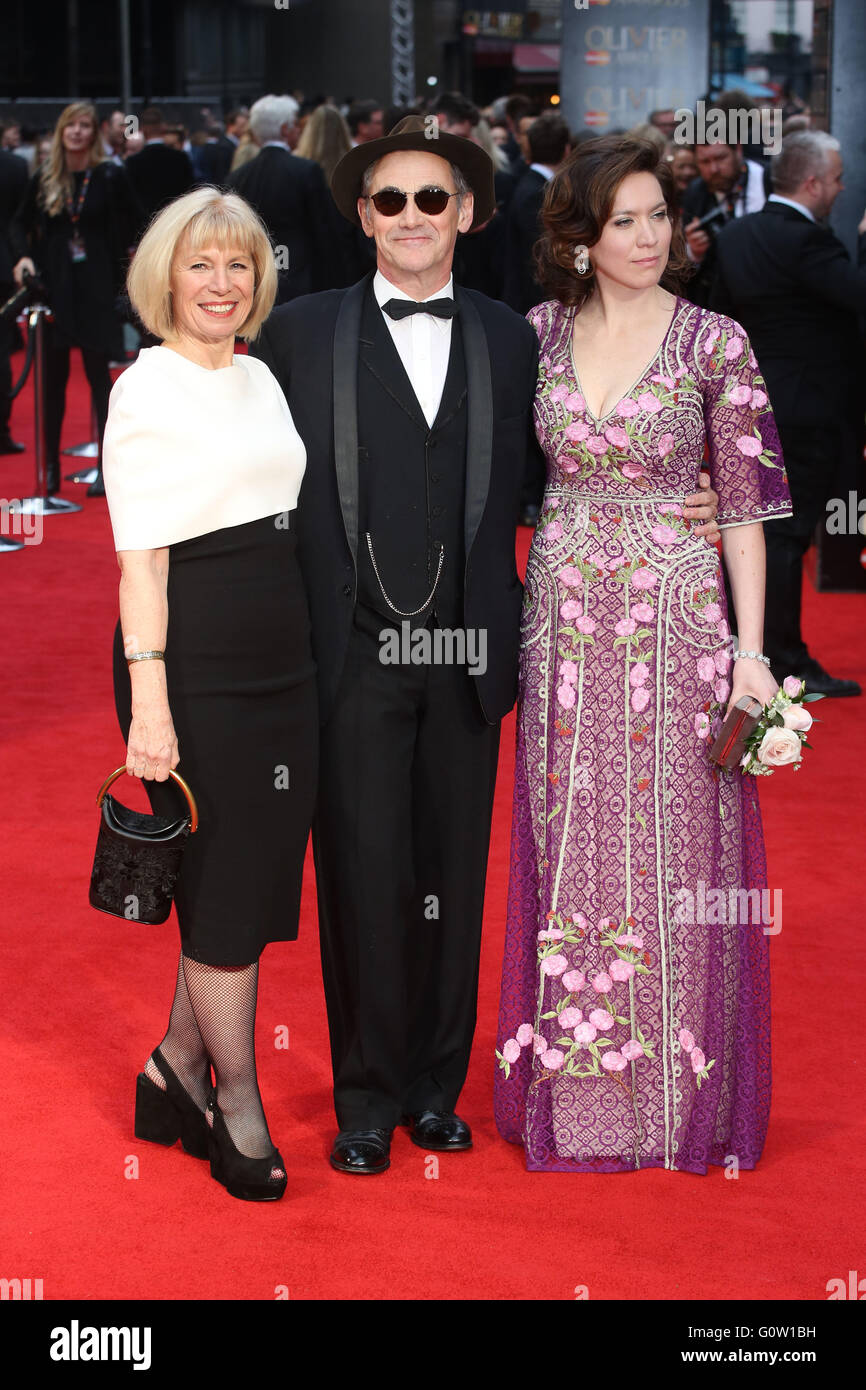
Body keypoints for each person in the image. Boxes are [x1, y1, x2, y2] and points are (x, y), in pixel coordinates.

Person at [251, 117, 724, 1175]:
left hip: (471, 644)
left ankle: (433, 1088)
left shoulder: (518, 340)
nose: (411, 218)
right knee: (365, 876)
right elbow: (252, 479)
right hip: (354, 646)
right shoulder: (300, 333)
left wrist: (688, 499)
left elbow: (579, 458)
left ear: (466, 212)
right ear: (361, 216)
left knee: (451, 876)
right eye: (389, 201)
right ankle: (365, 1096)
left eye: (433, 199)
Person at [494, 135, 791, 1174]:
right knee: (565, 825)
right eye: (621, 219)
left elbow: (748, 513)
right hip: (564, 615)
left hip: (677, 618)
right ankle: (577, 1099)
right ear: (577, 234)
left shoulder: (716, 341)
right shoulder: (530, 336)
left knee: (677, 841)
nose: (645, 236)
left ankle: (675, 1101)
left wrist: (753, 655)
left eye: (657, 216)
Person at [101, 187, 317, 1202]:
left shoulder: (262, 377)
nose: (221, 284)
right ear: (166, 276)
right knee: (224, 890)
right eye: (200, 265)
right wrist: (151, 704)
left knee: (251, 882)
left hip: (284, 661)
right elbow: (137, 563)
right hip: (193, 667)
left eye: (238, 264)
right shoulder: (145, 389)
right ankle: (235, 1099)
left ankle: (170, 1068)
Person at [710, 131, 866, 696]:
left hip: (749, 407)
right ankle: (783, 659)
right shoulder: (809, 243)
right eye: (838, 178)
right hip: (807, 414)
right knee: (786, 538)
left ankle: (754, 650)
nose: (842, 187)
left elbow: (720, 319)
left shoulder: (738, 236)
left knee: (763, 533)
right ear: (812, 182)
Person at [10, 101, 141, 496]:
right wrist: (23, 257)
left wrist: (132, 264)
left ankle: (105, 468)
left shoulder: (109, 176)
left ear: (94, 133)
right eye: (72, 126)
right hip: (55, 290)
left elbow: (138, 220)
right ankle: (49, 469)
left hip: (98, 290)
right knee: (52, 387)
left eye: (85, 126)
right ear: (62, 132)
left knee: (101, 383)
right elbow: (17, 224)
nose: (78, 132)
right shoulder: (46, 178)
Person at [227, 94, 344, 302]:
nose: (299, 130)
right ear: (285, 130)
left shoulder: (238, 176)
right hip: (300, 280)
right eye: (295, 125)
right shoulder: (306, 171)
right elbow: (323, 230)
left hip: (255, 279)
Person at [681, 135, 767, 306]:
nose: (714, 169)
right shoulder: (695, 194)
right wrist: (693, 252)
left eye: (721, 158)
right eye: (704, 162)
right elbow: (686, 267)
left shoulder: (768, 179)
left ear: (738, 149)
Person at [503, 111, 572, 316]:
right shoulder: (535, 192)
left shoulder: (535, 186)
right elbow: (539, 254)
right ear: (567, 150)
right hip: (532, 304)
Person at [124, 107, 195, 234]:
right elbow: (190, 191)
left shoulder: (133, 162)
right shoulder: (180, 158)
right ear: (163, 127)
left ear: (143, 130)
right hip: (176, 223)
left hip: (145, 228)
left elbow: (130, 200)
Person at [0, 144, 28, 454]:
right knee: (1, 352)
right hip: (4, 266)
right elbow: (21, 222)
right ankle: (1, 431)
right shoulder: (15, 165)